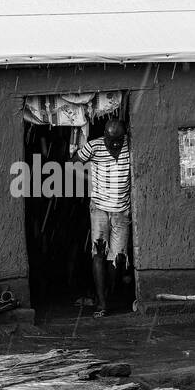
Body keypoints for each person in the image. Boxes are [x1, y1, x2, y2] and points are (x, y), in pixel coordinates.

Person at [74, 118, 131, 317]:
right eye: (110, 139)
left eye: (118, 139)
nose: (115, 143)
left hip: (122, 211)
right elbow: (75, 162)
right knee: (98, 254)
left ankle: (107, 294)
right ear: (104, 136)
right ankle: (102, 304)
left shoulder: (131, 144)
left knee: (117, 258)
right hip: (99, 208)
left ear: (123, 136)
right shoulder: (95, 146)